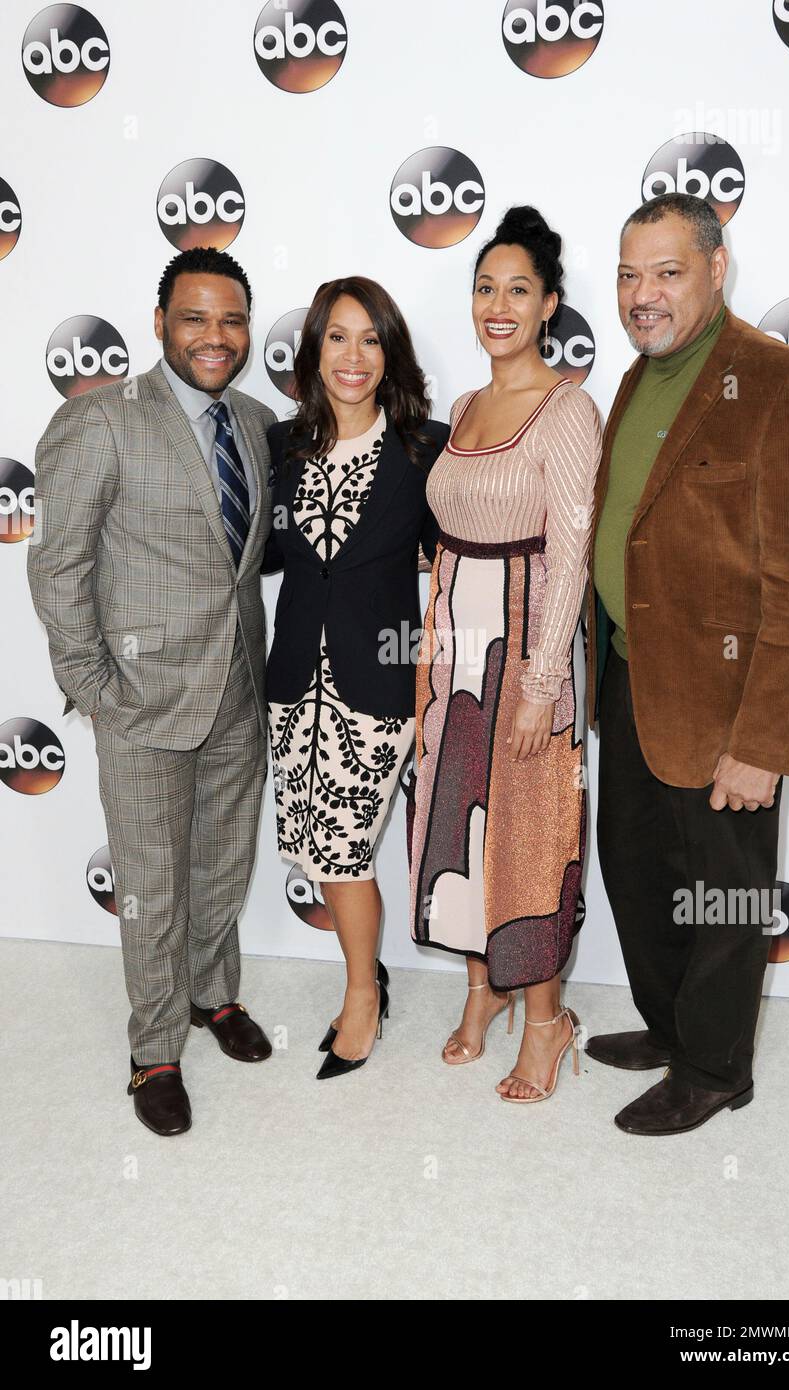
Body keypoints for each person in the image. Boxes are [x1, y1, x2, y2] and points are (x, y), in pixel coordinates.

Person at [585, 192, 789, 1134]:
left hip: (729, 702)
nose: (642, 295)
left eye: (666, 272)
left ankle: (714, 1068)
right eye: (627, 274)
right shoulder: (633, 379)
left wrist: (761, 739)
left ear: (716, 268)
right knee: (636, 869)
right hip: (627, 679)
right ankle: (669, 1027)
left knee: (726, 892)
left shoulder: (788, 386)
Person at [28, 247, 277, 1137]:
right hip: (140, 698)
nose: (216, 336)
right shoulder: (103, 423)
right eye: (196, 317)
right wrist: (92, 684)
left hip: (239, 691)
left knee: (221, 864)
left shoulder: (252, 422)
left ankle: (214, 997)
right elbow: (58, 565)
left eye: (232, 319)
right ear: (161, 321)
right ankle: (154, 1051)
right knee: (150, 882)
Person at [408, 206, 602, 1103]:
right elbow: (443, 535)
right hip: (453, 654)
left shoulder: (566, 410)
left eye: (517, 290)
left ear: (549, 306)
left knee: (531, 836)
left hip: (526, 653)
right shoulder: (463, 406)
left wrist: (539, 685)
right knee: (457, 821)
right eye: (484, 286)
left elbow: (571, 552)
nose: (496, 304)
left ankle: (546, 1021)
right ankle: (481, 991)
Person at [263, 276, 448, 1080]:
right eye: (336, 337)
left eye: (369, 338)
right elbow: (258, 554)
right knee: (314, 848)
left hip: (375, 684)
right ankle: (364, 977)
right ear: (313, 349)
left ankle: (361, 999)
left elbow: (452, 563)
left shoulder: (424, 448)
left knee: (343, 850)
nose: (352, 355)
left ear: (389, 353)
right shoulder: (281, 446)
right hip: (292, 673)